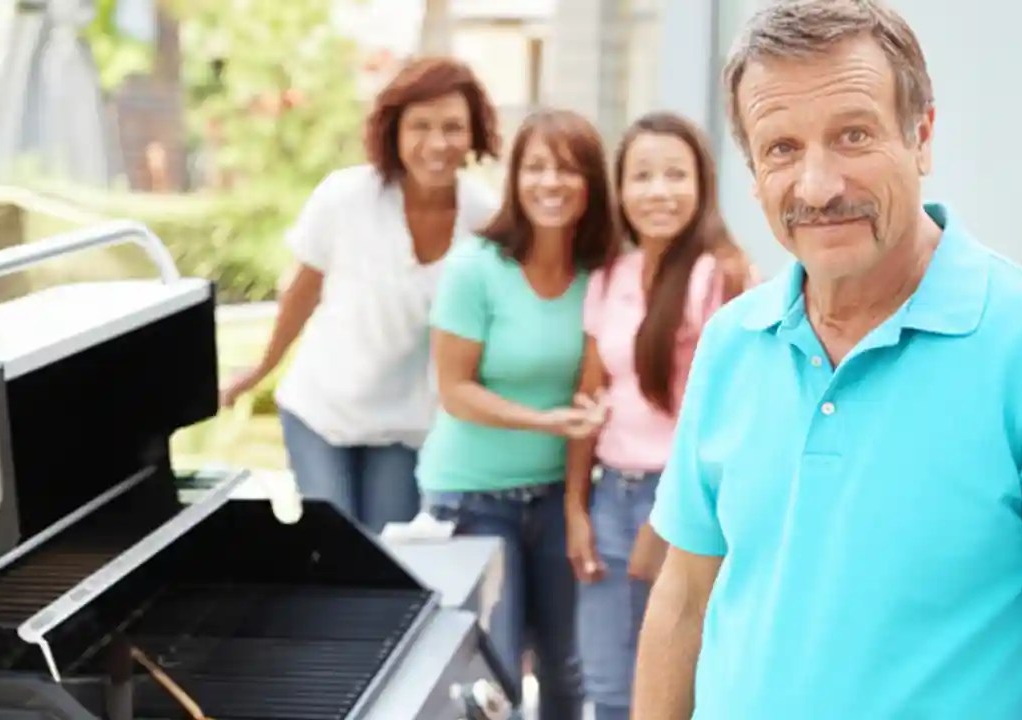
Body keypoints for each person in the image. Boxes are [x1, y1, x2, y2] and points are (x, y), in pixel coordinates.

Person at [634, 2, 1022, 719]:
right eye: (782, 148)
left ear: (922, 135)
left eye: (853, 135)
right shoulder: (732, 342)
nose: (818, 187)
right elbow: (682, 601)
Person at [219, 57, 501, 533]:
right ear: (394, 131)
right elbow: (301, 294)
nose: (437, 144)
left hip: (405, 424)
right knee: (338, 549)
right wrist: (260, 370)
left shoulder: (485, 220)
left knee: (388, 559)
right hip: (320, 411)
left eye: (453, 127)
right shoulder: (345, 197)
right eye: (421, 127)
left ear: (474, 133)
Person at [419, 108, 619, 720]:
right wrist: (548, 422)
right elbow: (454, 390)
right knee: (495, 670)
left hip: (556, 497)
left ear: (590, 184)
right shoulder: (475, 267)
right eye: (535, 167)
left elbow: (589, 401)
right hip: (472, 498)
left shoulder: (601, 275)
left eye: (567, 169)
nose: (550, 183)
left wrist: (575, 506)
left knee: (566, 668)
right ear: (514, 179)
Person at [563, 112, 750, 720]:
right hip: (610, 498)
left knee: (678, 686)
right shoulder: (609, 276)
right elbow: (589, 401)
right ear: (620, 189)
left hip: (683, 505)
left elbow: (732, 411)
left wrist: (664, 520)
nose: (659, 190)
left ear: (702, 185)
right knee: (607, 685)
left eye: (676, 174)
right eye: (642, 176)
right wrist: (575, 510)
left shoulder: (716, 276)